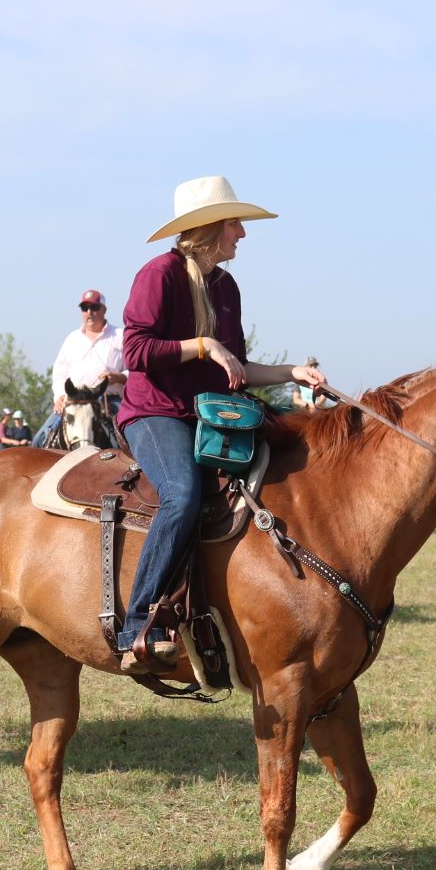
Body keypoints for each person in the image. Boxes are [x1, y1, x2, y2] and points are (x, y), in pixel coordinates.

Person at [116, 175, 328, 672]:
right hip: (155, 413)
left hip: (213, 412)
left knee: (297, 459)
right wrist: (203, 344)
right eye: (236, 223)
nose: (243, 235)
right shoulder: (159, 274)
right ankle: (138, 625)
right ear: (211, 228)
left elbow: (237, 368)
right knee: (183, 495)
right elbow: (135, 352)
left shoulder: (225, 285)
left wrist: (290, 372)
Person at [51, 288, 127, 421]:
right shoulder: (72, 339)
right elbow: (59, 373)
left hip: (110, 401)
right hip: (74, 401)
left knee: (131, 434)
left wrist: (119, 377)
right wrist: (60, 396)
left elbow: (137, 370)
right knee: (40, 438)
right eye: (85, 308)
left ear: (104, 309)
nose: (89, 312)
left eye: (94, 307)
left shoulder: (120, 336)